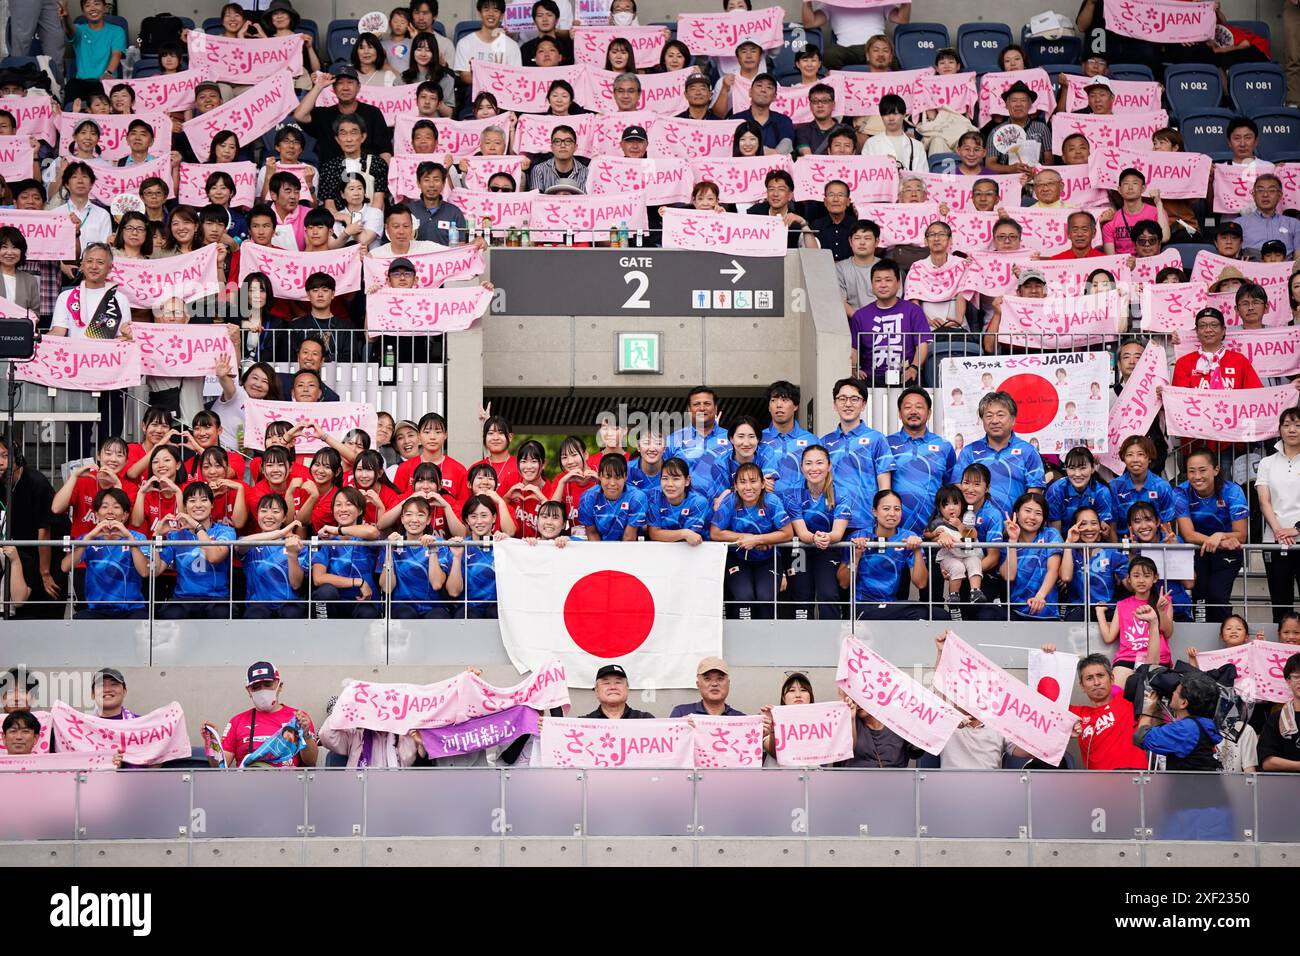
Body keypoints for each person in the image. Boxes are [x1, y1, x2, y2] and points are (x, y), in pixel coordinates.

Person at [1175, 448, 1249, 624]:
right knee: (1199, 600)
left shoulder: (1233, 491)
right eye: (1191, 471)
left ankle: (1225, 639)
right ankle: (1200, 645)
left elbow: (1241, 536)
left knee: (1217, 596)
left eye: (1202, 470)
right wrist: (1217, 541)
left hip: (1228, 552)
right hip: (1199, 549)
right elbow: (1188, 534)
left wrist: (1219, 535)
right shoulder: (1181, 492)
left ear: (1215, 470)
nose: (1196, 476)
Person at [710, 462, 792, 619]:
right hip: (738, 559)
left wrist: (757, 539)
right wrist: (744, 538)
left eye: (753, 481)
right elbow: (715, 532)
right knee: (743, 597)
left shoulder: (772, 501)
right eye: (742, 482)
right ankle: (741, 641)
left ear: (762, 484)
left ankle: (766, 641)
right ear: (735, 485)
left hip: (768, 559)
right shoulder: (730, 500)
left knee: (765, 599)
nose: (748, 487)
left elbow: (787, 533)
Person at [202, 661, 318, 768]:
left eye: (267, 684)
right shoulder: (237, 722)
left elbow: (311, 761)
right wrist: (212, 743)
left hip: (288, 785)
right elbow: (219, 767)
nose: (263, 691)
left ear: (280, 686)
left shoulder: (297, 718)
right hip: (247, 786)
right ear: (249, 691)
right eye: (256, 687)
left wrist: (306, 735)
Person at [781, 444, 850, 619]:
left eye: (819, 463)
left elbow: (838, 533)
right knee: (801, 596)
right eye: (808, 463)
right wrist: (814, 537)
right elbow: (802, 532)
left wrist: (826, 537)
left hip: (828, 548)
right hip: (801, 550)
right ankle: (802, 640)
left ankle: (833, 639)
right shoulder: (792, 493)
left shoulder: (841, 493)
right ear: (802, 467)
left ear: (829, 466)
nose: (814, 468)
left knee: (828, 594)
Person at [948, 391, 1045, 516]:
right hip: (975, 528)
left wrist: (1019, 522)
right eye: (989, 416)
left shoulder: (1028, 451)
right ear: (982, 419)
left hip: (1015, 528)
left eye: (1000, 415)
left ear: (1013, 419)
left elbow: (1034, 493)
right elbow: (957, 486)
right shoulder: (969, 451)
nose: (994, 421)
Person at [62, 488, 151, 620]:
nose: (110, 511)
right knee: (78, 621)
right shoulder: (86, 539)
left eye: (116, 507)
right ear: (97, 514)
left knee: (144, 623)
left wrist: (129, 538)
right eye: (104, 507)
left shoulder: (138, 538)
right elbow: (65, 567)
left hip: (132, 609)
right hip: (96, 610)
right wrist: (89, 538)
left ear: (125, 515)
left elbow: (144, 572)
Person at [820, 377, 894, 532]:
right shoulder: (824, 442)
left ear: (864, 404)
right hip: (831, 522)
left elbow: (884, 486)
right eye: (842, 399)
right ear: (835, 404)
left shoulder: (877, 439)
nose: (848, 404)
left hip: (866, 522)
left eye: (855, 399)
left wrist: (882, 519)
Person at [155, 483, 237, 619]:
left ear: (212, 505)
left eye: (204, 500)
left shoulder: (225, 531)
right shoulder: (175, 536)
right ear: (185, 507)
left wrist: (197, 527)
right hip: (183, 599)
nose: (198, 505)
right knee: (171, 614)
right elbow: (156, 570)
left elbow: (215, 557)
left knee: (221, 613)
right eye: (192, 501)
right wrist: (157, 535)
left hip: (217, 599)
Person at [846, 488, 929, 620]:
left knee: (941, 615)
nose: (892, 514)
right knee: (919, 611)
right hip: (862, 606)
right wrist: (856, 556)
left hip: (891, 605)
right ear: (874, 511)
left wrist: (917, 550)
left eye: (897, 509)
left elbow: (921, 583)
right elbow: (844, 583)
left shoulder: (907, 537)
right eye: (886, 509)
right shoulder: (859, 536)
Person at [850, 259, 930, 386]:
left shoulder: (913, 311)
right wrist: (854, 369)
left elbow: (922, 344)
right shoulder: (860, 316)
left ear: (898, 283)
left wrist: (914, 367)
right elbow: (853, 348)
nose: (883, 285)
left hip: (905, 375)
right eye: (878, 280)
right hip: (870, 378)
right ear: (871, 284)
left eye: (888, 280)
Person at [1067, 652, 1150, 770]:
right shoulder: (1078, 714)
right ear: (1082, 686)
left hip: (1134, 781)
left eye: (1100, 675)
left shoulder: (1128, 700)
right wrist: (1048, 658)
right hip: (1098, 785)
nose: (1096, 682)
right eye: (1089, 678)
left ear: (1111, 679)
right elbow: (1045, 702)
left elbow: (1152, 667)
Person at [294, 67, 393, 166]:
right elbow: (299, 115)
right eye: (340, 83)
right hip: (331, 176)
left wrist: (383, 176)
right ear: (333, 89)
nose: (345, 87)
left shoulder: (373, 113)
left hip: (368, 175)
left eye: (350, 82)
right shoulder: (324, 115)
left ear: (358, 87)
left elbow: (385, 150)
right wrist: (319, 86)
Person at [1259, 408, 1300, 623]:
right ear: (1279, 429)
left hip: (1298, 538)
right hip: (1274, 542)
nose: (1292, 430)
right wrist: (1278, 530)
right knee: (1280, 602)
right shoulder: (1267, 463)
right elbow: (1264, 500)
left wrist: (1296, 530)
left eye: (1297, 425)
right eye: (1286, 425)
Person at [1000, 491, 1063, 621]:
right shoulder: (1005, 543)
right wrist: (1012, 541)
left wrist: (1040, 597)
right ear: (1016, 513)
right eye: (1027, 511)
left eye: (1038, 513)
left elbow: (1053, 569)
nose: (1032, 517)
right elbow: (1009, 576)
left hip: (1046, 612)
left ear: (1044, 518)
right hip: (1015, 612)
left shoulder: (1051, 535)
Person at [800, 0, 911, 72]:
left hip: (876, 48)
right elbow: (810, 23)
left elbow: (902, 19)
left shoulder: (879, 1)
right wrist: (806, 2)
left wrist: (906, 2)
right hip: (845, 49)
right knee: (830, 55)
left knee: (893, 61)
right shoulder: (831, 4)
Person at [1046, 445, 1118, 538]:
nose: (1077, 474)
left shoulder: (1102, 492)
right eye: (1072, 468)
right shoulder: (1056, 490)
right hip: (1063, 543)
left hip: (1092, 542)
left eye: (1082, 468)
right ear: (1066, 469)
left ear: (1092, 469)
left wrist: (1104, 531)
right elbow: (1055, 534)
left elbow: (1103, 531)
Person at [983, 82, 1052, 174]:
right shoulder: (997, 132)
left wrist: (1035, 170)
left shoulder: (1042, 128)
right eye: (1014, 100)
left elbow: (1050, 161)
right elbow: (989, 165)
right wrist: (1010, 169)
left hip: (1037, 180)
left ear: (1030, 105)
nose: (1018, 104)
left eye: (1023, 100)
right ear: (1007, 105)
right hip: (1007, 182)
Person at [578, 453, 648, 541]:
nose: (612, 483)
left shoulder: (637, 498)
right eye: (607, 477)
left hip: (629, 550)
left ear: (625, 477)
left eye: (617, 477)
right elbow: (592, 533)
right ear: (599, 476)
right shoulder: (587, 498)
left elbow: (629, 537)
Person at [455, 0, 522, 84]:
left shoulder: (512, 46)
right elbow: (465, 76)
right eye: (486, 10)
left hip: (502, 92)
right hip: (475, 91)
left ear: (502, 15)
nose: (491, 14)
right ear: (480, 13)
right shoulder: (465, 43)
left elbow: (515, 78)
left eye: (495, 10)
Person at [1257, 655, 1300, 772]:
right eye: (1296, 677)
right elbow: (1267, 762)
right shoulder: (1276, 719)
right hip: (1283, 786)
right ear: (1288, 681)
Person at [1237, 175, 1297, 257]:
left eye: (1271, 190)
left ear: (1279, 195)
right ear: (1254, 195)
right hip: (1251, 267)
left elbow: (1298, 256)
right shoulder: (1239, 224)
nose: (1265, 194)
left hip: (1285, 268)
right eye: (1260, 190)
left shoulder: (1294, 224)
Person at [835, 220, 882, 318]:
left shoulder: (887, 267)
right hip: (853, 322)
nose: (862, 242)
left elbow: (893, 301)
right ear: (850, 241)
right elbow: (840, 301)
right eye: (857, 238)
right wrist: (860, 320)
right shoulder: (840, 268)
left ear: (876, 242)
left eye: (867, 238)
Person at [669, 658, 744, 717]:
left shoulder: (741, 720)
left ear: (728, 684)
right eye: (707, 679)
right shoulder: (681, 713)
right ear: (698, 684)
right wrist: (681, 727)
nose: (714, 684)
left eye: (720, 678)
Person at [528, 125, 588, 193]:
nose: (562, 145)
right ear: (551, 147)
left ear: (575, 147)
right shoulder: (539, 170)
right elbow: (536, 200)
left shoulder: (586, 172)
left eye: (568, 141)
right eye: (557, 141)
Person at [583, 664, 654, 719]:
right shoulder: (583, 723)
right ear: (596, 691)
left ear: (627, 689)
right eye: (606, 683)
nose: (613, 687)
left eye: (618, 682)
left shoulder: (645, 719)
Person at [794, 83, 840, 156]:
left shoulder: (846, 130)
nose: (820, 105)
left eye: (825, 101)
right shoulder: (802, 131)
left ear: (833, 104)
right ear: (810, 105)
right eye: (815, 101)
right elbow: (807, 156)